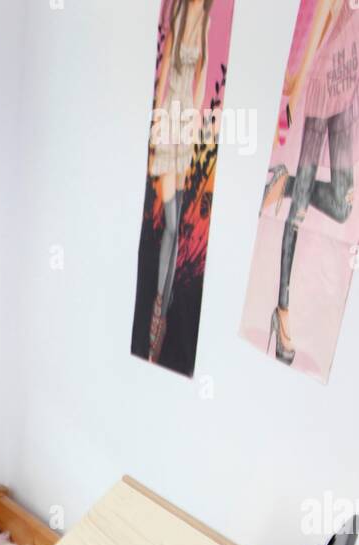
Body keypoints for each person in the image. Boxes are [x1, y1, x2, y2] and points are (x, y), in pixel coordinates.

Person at [261, 0, 359, 364]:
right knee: (298, 213)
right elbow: (319, 27)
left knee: (342, 205)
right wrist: (293, 94)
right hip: (321, 90)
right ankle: (282, 312)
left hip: (347, 99)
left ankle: (286, 185)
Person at [147, 0, 215, 363]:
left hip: (186, 120)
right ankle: (160, 305)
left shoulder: (204, 16)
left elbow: (202, 75)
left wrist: (195, 124)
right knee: (171, 224)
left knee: (175, 226)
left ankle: (164, 302)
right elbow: (164, 76)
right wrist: (156, 124)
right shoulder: (176, 11)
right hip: (169, 116)